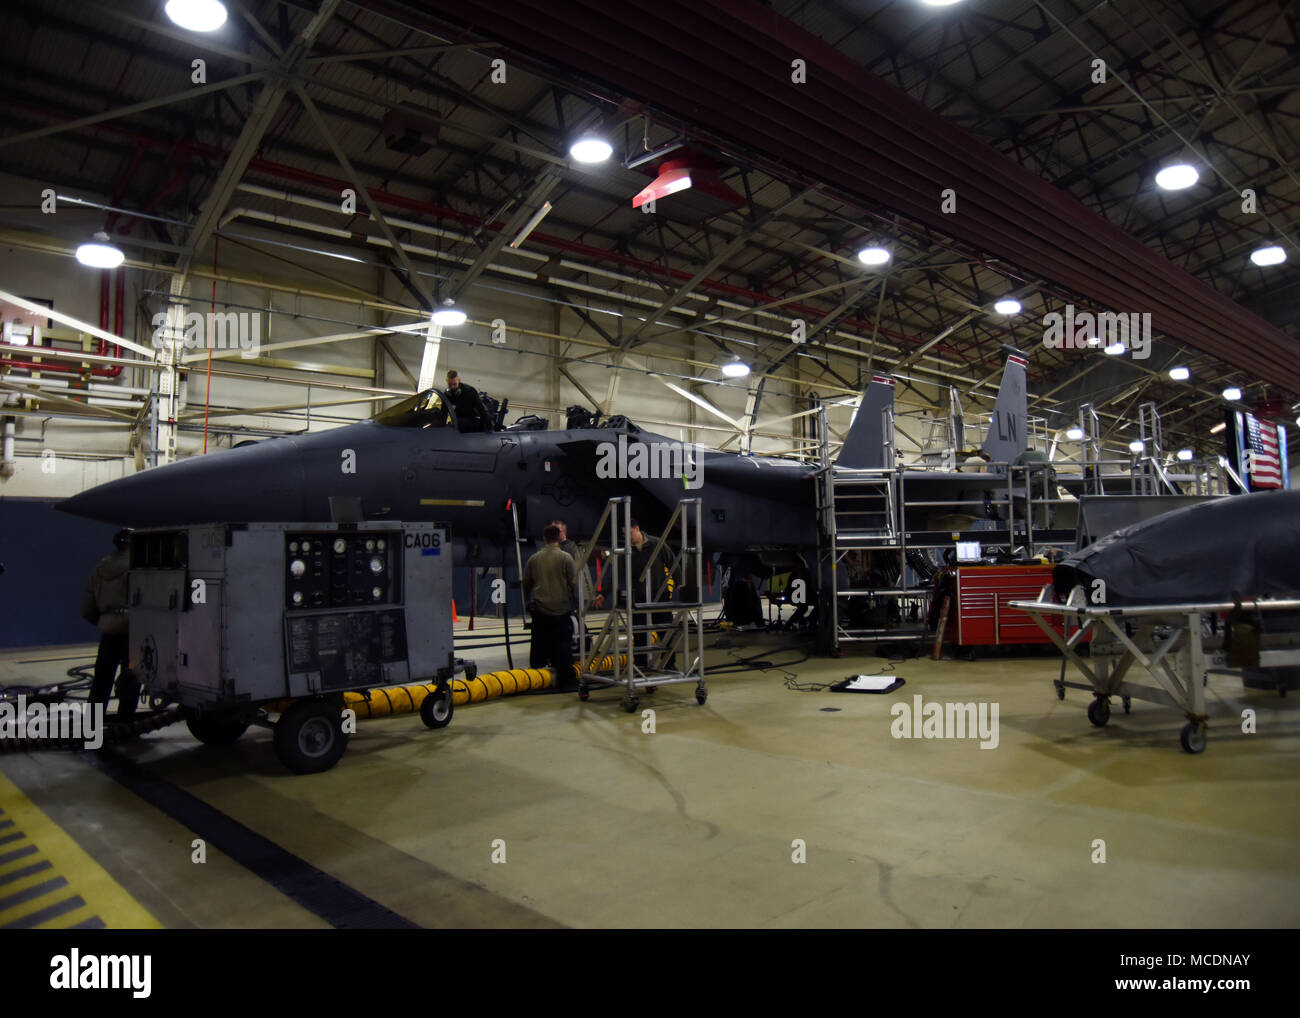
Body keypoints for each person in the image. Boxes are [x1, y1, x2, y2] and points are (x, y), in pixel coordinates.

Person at [592, 517, 677, 672]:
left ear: (637, 529)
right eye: (624, 535)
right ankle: (641, 666)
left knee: (666, 632)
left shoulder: (655, 544)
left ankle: (670, 664)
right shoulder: (626, 551)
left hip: (659, 596)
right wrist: (604, 593)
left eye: (629, 533)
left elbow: (673, 563)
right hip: (638, 598)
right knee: (639, 635)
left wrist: (682, 585)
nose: (627, 538)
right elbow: (617, 574)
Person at [81, 529, 139, 719]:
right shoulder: (137, 568)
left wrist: (103, 621)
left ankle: (92, 724)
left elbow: (88, 606)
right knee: (131, 679)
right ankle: (125, 722)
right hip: (132, 630)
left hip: (108, 630)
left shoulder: (101, 568)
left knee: (102, 681)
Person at [522, 524, 579, 690]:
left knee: (538, 648)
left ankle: (536, 679)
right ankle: (565, 682)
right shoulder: (566, 558)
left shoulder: (534, 558)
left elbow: (526, 584)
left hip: (540, 612)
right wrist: (577, 607)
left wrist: (527, 603)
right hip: (561, 611)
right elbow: (574, 584)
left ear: (544, 539)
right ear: (559, 538)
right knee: (562, 649)